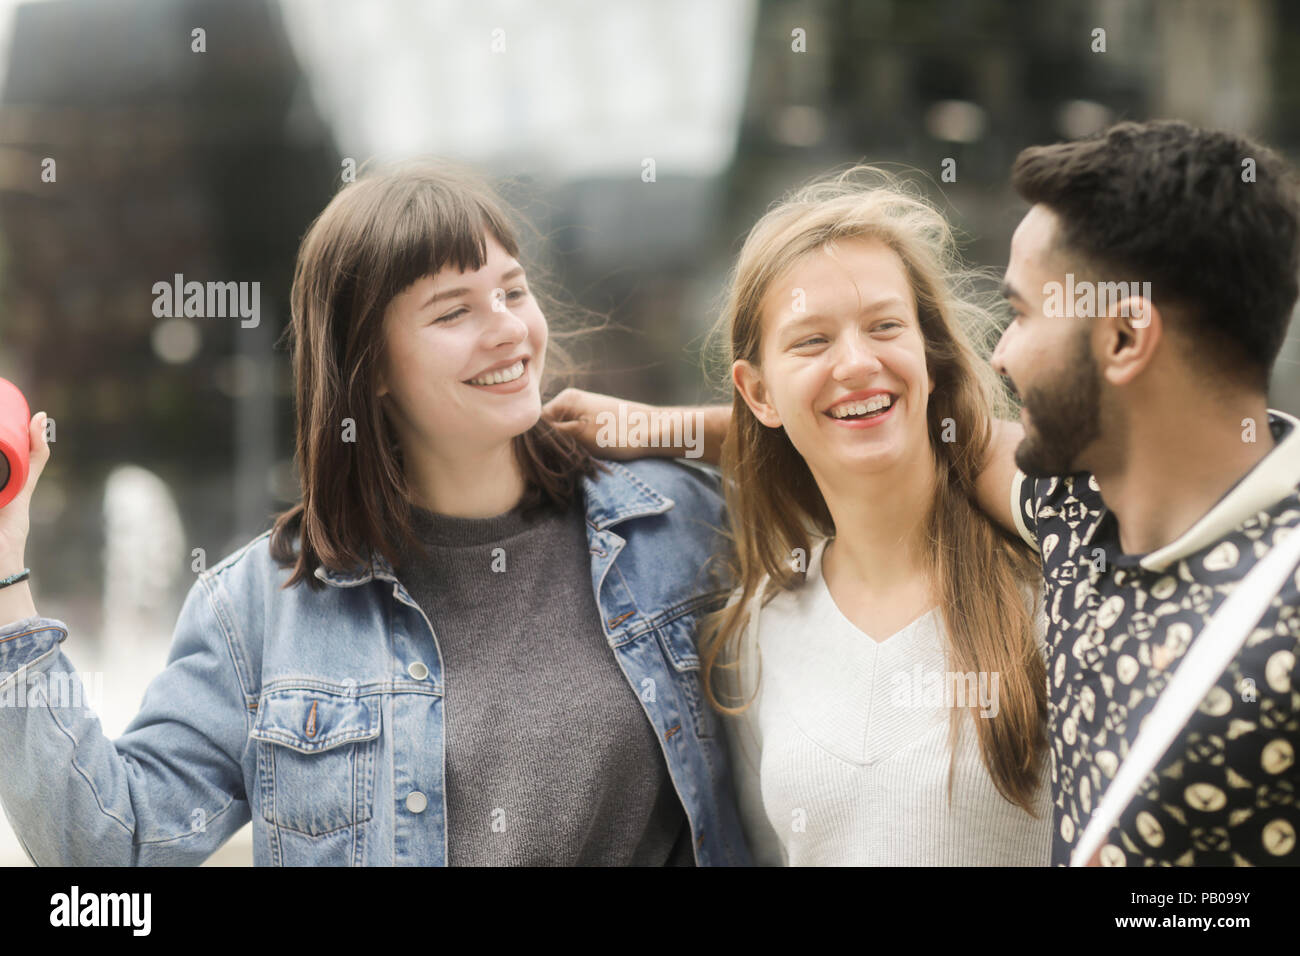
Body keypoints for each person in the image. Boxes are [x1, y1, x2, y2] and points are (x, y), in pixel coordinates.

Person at [547, 119, 1300, 867]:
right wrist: (673, 428)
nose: (1001, 354)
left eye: (885, 326)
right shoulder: (1068, 528)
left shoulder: (1082, 556)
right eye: (812, 340)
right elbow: (892, 425)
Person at [0, 160, 751, 866]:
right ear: (373, 367)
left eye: (514, 291)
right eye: (453, 310)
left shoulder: (674, 522)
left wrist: (682, 428)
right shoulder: (261, 612)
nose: (508, 330)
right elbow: (109, 845)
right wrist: (5, 577)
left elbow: (851, 479)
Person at [550, 166, 1054, 865]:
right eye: (812, 341)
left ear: (929, 358)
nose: (856, 362)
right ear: (755, 394)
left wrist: (665, 426)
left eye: (884, 326)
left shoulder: (1051, 572)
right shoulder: (755, 633)